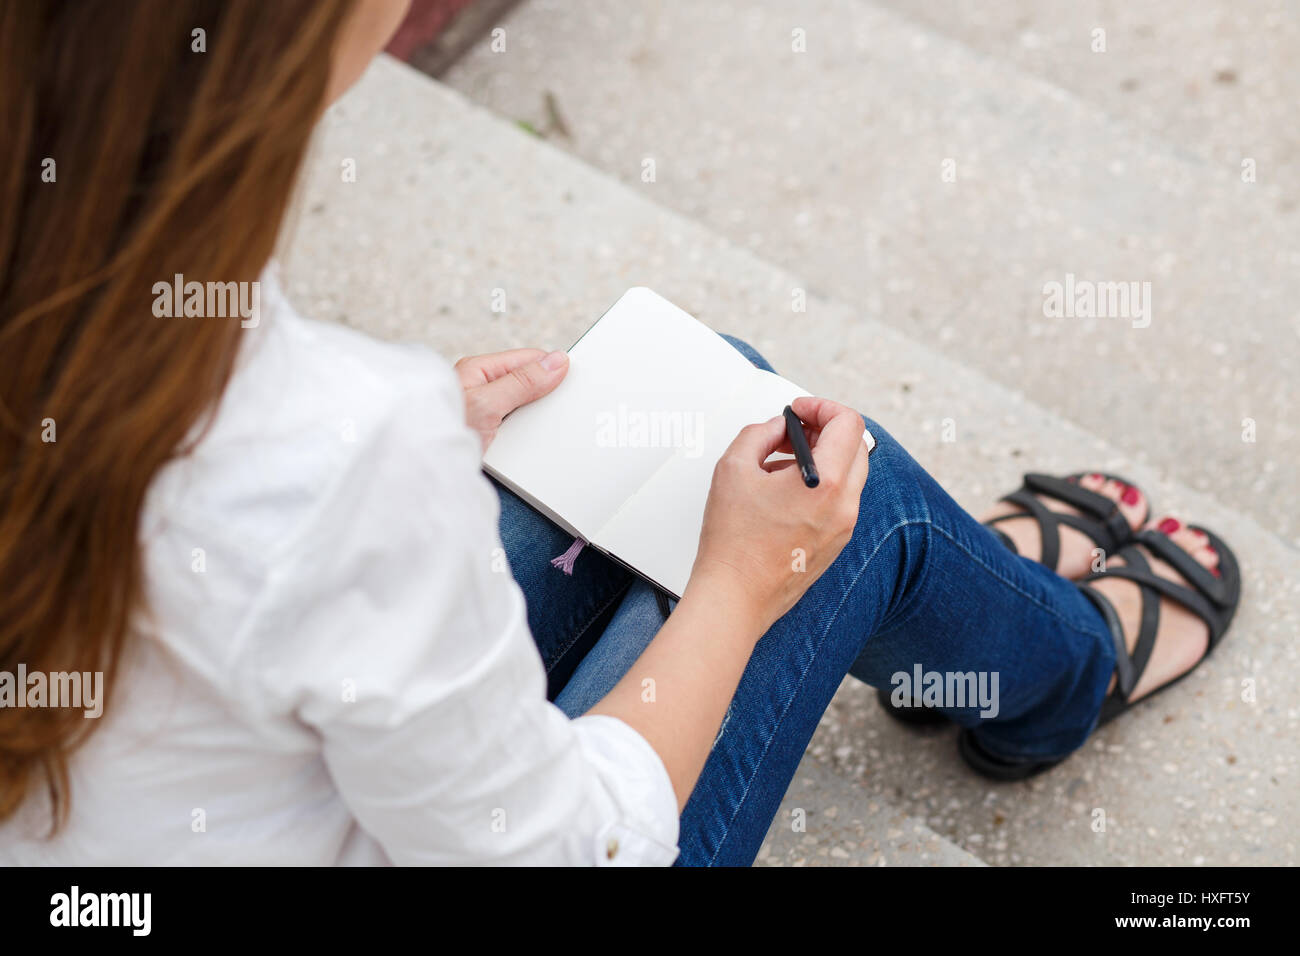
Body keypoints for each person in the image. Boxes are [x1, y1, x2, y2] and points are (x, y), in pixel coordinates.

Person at [0, 0, 1239, 866]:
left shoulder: (211, 385)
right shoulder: (339, 451)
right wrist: (738, 587)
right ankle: (1052, 676)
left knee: (709, 413)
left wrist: (392, 433)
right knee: (850, 510)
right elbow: (568, 852)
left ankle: (961, 625)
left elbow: (212, 510)